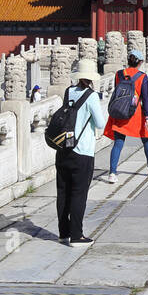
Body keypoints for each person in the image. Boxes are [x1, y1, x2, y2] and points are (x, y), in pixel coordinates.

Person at [56, 58, 106, 247]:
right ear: (92, 77)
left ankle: (64, 233)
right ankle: (77, 235)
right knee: (79, 193)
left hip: (63, 149)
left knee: (63, 192)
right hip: (82, 151)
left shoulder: (69, 91)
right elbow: (100, 123)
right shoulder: (91, 96)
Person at [102, 48, 148, 185]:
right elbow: (145, 99)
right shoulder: (142, 77)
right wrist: (147, 116)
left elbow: (119, 92)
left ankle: (112, 173)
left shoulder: (119, 74)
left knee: (118, 142)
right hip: (135, 113)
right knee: (146, 139)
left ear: (128, 60)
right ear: (140, 62)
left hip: (120, 111)